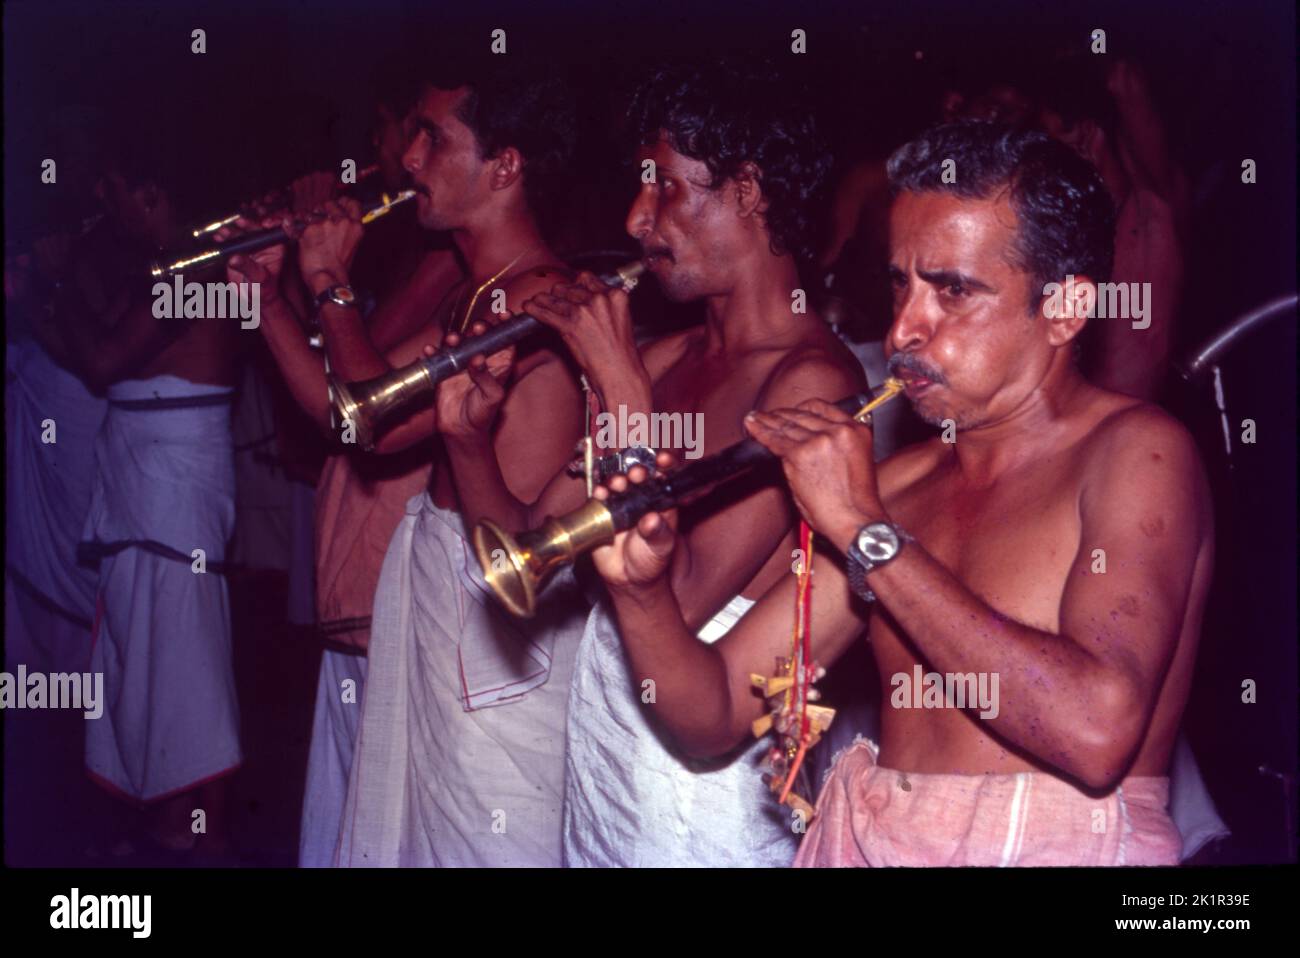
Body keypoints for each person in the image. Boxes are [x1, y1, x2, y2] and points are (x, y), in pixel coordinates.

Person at [588, 121, 1211, 867]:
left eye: (953, 291)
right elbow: (715, 713)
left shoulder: (1137, 452)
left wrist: (864, 533)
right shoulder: (899, 487)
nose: (903, 332)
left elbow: (1094, 732)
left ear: (1065, 308)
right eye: (900, 284)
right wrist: (643, 593)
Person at [435, 60, 866, 866]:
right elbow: (525, 547)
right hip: (608, 741)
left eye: (664, 187)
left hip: (701, 788)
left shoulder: (813, 382)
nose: (636, 219)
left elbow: (686, 594)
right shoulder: (668, 355)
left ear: (747, 190)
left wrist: (622, 390)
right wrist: (465, 438)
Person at [234, 63, 588, 867]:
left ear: (505, 166)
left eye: (437, 138)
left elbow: (372, 423)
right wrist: (268, 300)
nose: (413, 159)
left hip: (496, 629)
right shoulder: (480, 292)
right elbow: (345, 413)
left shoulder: (530, 301)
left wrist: (328, 278)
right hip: (449, 601)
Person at [60, 151, 244, 862]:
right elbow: (97, 353)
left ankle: (188, 834)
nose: (108, 213)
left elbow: (103, 363)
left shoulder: (196, 271)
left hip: (169, 509)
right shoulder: (183, 267)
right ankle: (185, 830)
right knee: (175, 669)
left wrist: (53, 288)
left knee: (180, 675)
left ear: (150, 192)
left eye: (114, 196)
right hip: (160, 503)